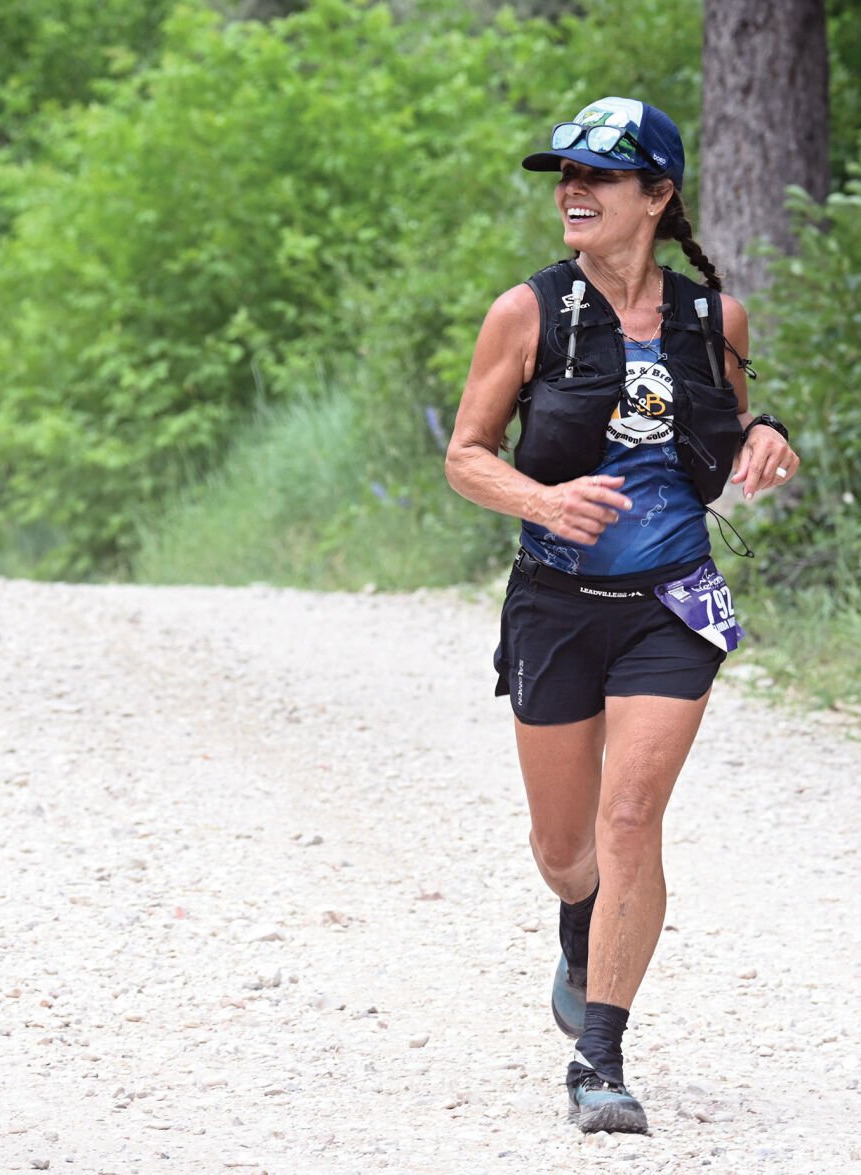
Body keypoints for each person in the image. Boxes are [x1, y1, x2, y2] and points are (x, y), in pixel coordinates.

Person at [446, 98, 801, 1135]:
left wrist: (765, 437)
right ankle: (576, 927)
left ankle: (598, 1056)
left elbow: (730, 427)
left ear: (655, 196)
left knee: (631, 817)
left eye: (597, 175)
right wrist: (541, 499)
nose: (571, 188)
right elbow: (465, 454)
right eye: (562, 171)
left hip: (668, 603)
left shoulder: (710, 318)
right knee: (566, 852)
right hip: (554, 602)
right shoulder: (525, 313)